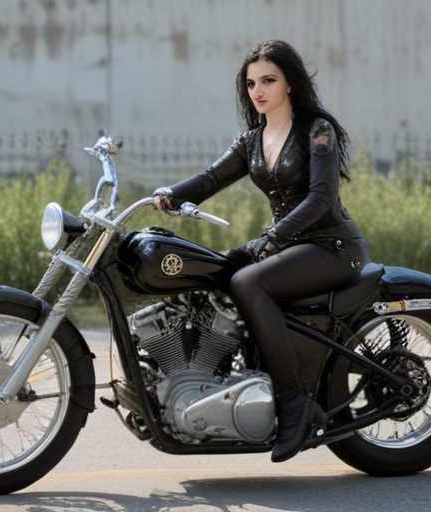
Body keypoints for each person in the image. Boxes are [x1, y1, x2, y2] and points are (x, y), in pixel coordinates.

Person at [153, 40, 370, 462]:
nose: (258, 90)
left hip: (332, 246)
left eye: (268, 80)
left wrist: (272, 238)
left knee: (247, 280)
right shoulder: (253, 139)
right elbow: (212, 177)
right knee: (215, 273)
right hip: (290, 244)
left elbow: (322, 197)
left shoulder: (316, 129)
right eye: (251, 83)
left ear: (290, 83)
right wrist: (168, 194)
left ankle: (295, 405)